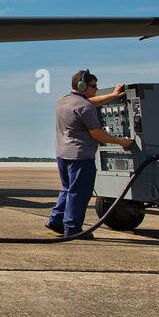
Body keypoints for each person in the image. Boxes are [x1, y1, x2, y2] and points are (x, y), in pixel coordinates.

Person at [47, 70, 133, 237]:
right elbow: (97, 134)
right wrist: (122, 141)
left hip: (62, 153)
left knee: (68, 189)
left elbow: (89, 102)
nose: (97, 88)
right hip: (80, 155)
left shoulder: (63, 100)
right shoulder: (85, 107)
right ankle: (72, 228)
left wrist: (113, 96)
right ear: (82, 85)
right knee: (79, 192)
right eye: (93, 86)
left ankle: (56, 220)